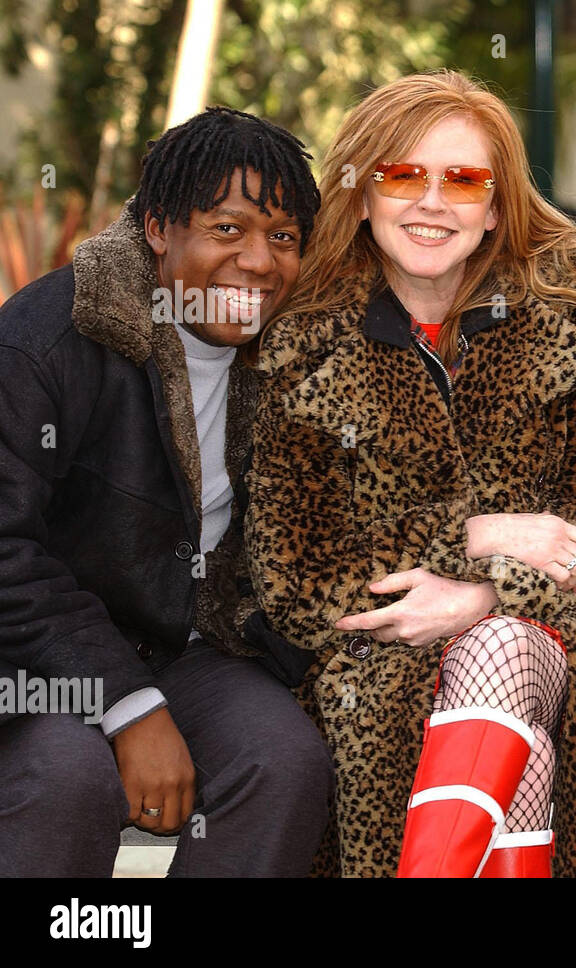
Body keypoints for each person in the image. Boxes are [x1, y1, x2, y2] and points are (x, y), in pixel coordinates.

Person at [245, 70, 576, 878]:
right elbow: (296, 577)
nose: (432, 202)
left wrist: (485, 598)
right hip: (376, 664)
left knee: (502, 648)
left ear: (494, 207)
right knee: (516, 743)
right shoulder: (305, 345)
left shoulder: (571, 323)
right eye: (404, 175)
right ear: (364, 194)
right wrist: (476, 535)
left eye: (463, 180)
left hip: (553, 640)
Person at [0, 107, 332, 876]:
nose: (259, 261)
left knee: (282, 761)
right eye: (227, 229)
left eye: (283, 237)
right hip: (34, 662)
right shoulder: (50, 339)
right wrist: (130, 705)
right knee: (68, 780)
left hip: (185, 648)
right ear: (157, 229)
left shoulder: (295, 357)